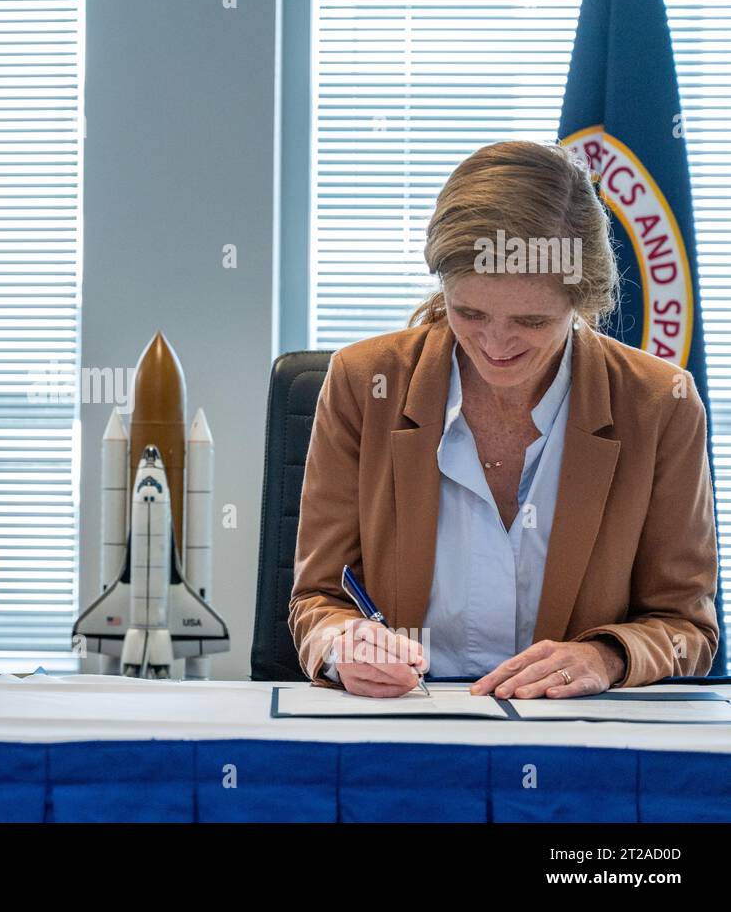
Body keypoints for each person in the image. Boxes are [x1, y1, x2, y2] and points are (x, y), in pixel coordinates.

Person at [290, 140, 718, 698]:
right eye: (469, 312)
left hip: (571, 737)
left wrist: (606, 656)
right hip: (403, 724)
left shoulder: (662, 405)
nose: (495, 344)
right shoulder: (362, 384)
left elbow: (687, 629)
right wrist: (341, 642)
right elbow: (318, 598)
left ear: (581, 301)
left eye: (531, 320)